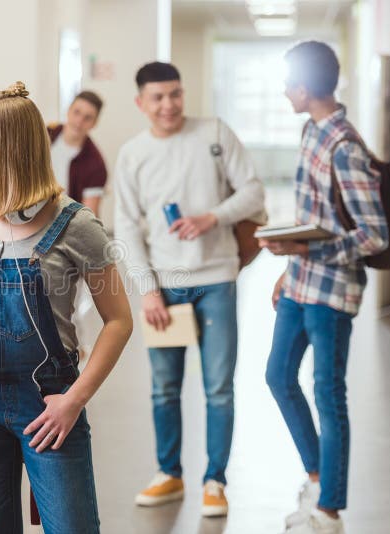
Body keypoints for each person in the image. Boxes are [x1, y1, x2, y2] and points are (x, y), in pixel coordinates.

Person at [0, 82, 133, 534]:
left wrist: (74, 402)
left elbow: (119, 321)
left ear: (8, 148)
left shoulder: (77, 225)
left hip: (49, 404)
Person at [113, 62, 265, 515]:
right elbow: (126, 228)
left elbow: (254, 193)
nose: (169, 105)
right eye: (157, 97)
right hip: (165, 286)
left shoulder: (213, 132)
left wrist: (211, 217)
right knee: (164, 388)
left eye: (175, 94)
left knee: (219, 388)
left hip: (216, 279)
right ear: (140, 103)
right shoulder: (132, 154)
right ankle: (169, 474)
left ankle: (215, 481)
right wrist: (147, 290)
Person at [261, 41, 388, 534]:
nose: (283, 91)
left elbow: (374, 235)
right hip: (302, 284)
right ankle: (317, 477)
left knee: (328, 395)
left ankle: (329, 511)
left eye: (289, 82)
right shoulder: (311, 131)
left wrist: (307, 254)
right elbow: (314, 217)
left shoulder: (345, 147)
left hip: (333, 294)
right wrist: (289, 270)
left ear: (306, 87)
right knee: (277, 377)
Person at [47, 90, 108, 216]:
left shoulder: (96, 165)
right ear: (68, 110)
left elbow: (89, 215)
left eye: (88, 118)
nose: (79, 121)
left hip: (62, 226)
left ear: (94, 123)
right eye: (77, 112)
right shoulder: (43, 135)